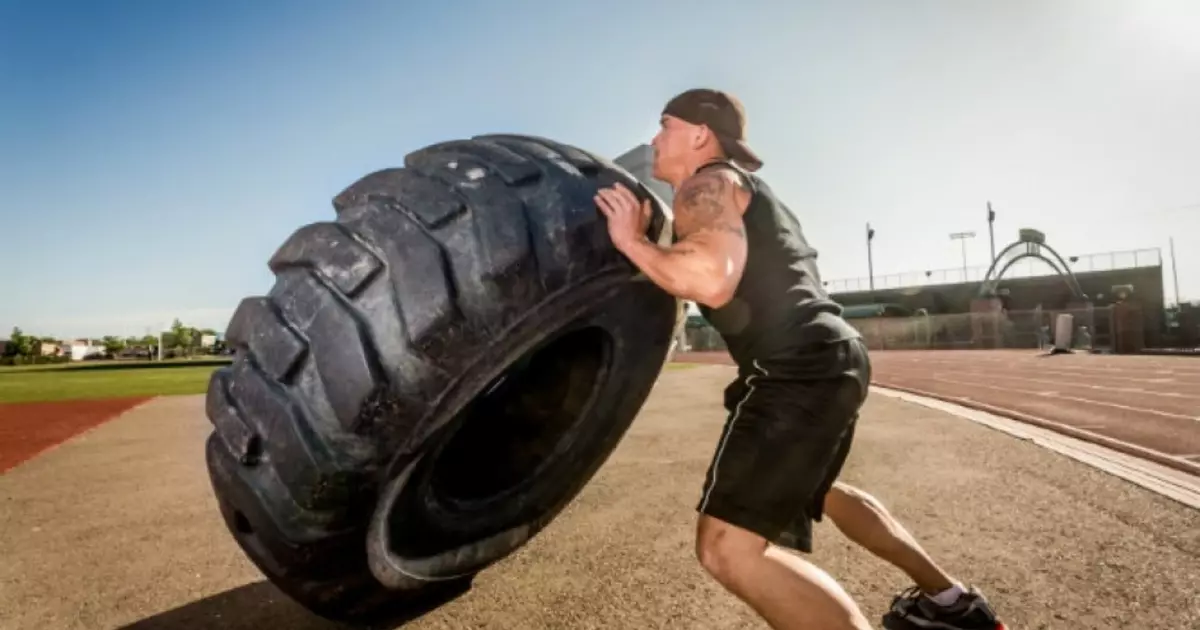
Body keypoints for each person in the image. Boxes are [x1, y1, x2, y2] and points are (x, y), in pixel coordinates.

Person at [593, 88, 1006, 630]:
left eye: (665, 124)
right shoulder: (744, 189)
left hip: (796, 364)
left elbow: (708, 281)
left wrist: (630, 242)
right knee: (825, 490)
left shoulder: (707, 182)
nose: (653, 138)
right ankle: (952, 603)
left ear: (699, 134)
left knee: (726, 548)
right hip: (833, 352)